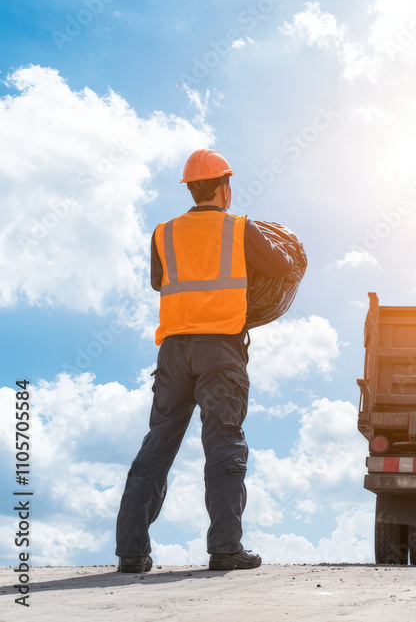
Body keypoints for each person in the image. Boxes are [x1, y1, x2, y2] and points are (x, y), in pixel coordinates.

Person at [115, 149, 294, 573]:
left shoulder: (163, 232)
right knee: (223, 444)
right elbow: (284, 265)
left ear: (191, 188)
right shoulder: (239, 228)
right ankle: (225, 548)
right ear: (225, 188)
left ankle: (131, 552)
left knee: (156, 446)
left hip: (173, 352)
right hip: (220, 351)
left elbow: (159, 281)